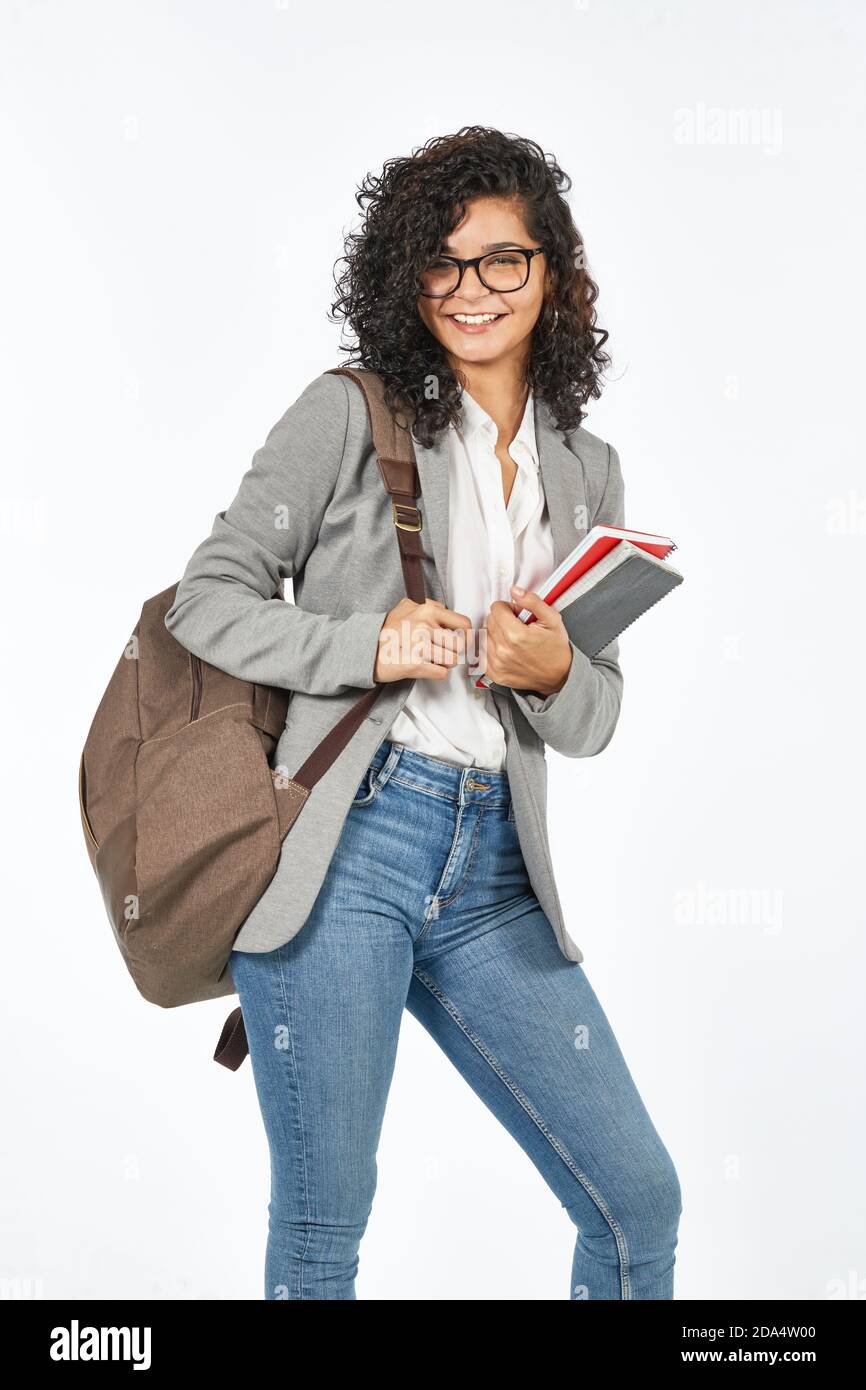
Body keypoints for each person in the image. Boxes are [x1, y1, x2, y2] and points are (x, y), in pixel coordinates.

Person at [164, 126, 682, 1300]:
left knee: (636, 1202)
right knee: (322, 1230)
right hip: (349, 852)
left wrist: (548, 672)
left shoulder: (585, 469)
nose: (472, 290)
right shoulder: (352, 411)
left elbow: (594, 718)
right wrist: (370, 644)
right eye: (441, 265)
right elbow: (209, 596)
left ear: (550, 273)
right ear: (407, 279)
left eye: (502, 260)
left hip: (497, 872)